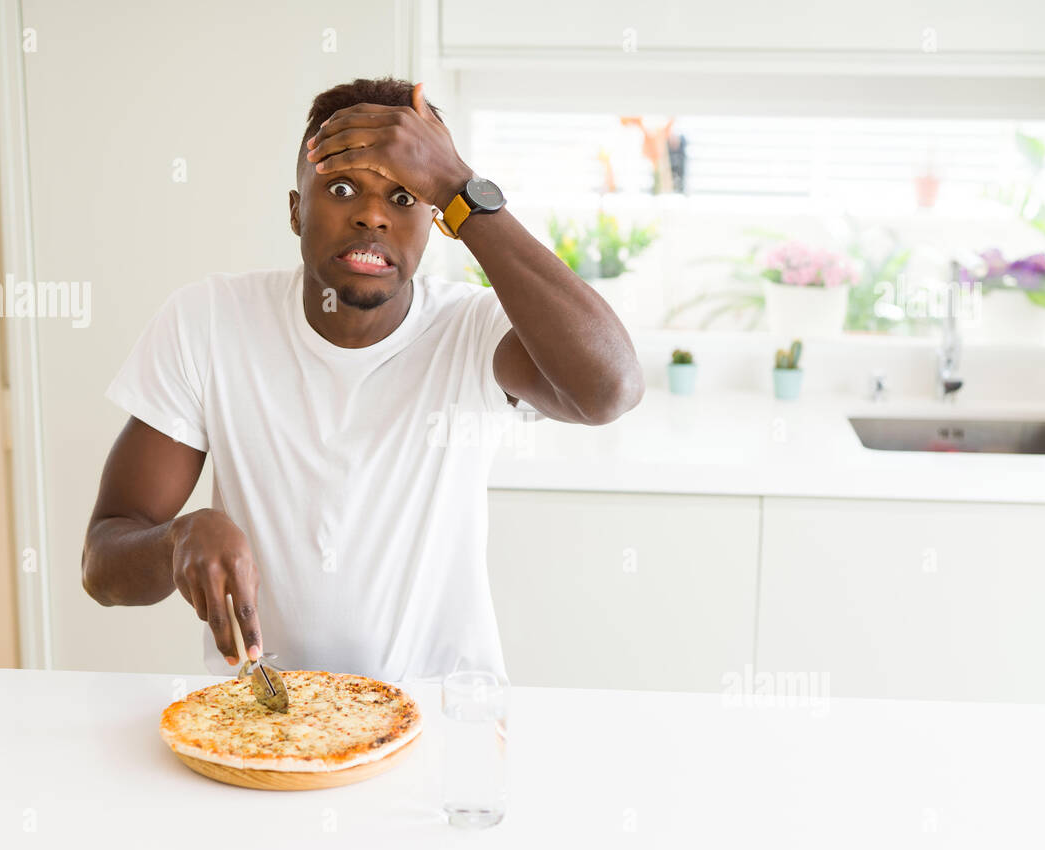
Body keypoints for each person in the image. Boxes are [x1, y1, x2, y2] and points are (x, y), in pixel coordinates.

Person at [81, 76, 643, 682]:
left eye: (404, 197)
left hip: (442, 721)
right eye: (342, 187)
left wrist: (462, 190)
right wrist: (177, 540)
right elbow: (103, 568)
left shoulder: (475, 330)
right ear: (296, 211)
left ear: (437, 220)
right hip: (266, 727)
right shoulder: (208, 322)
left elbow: (608, 390)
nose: (372, 215)